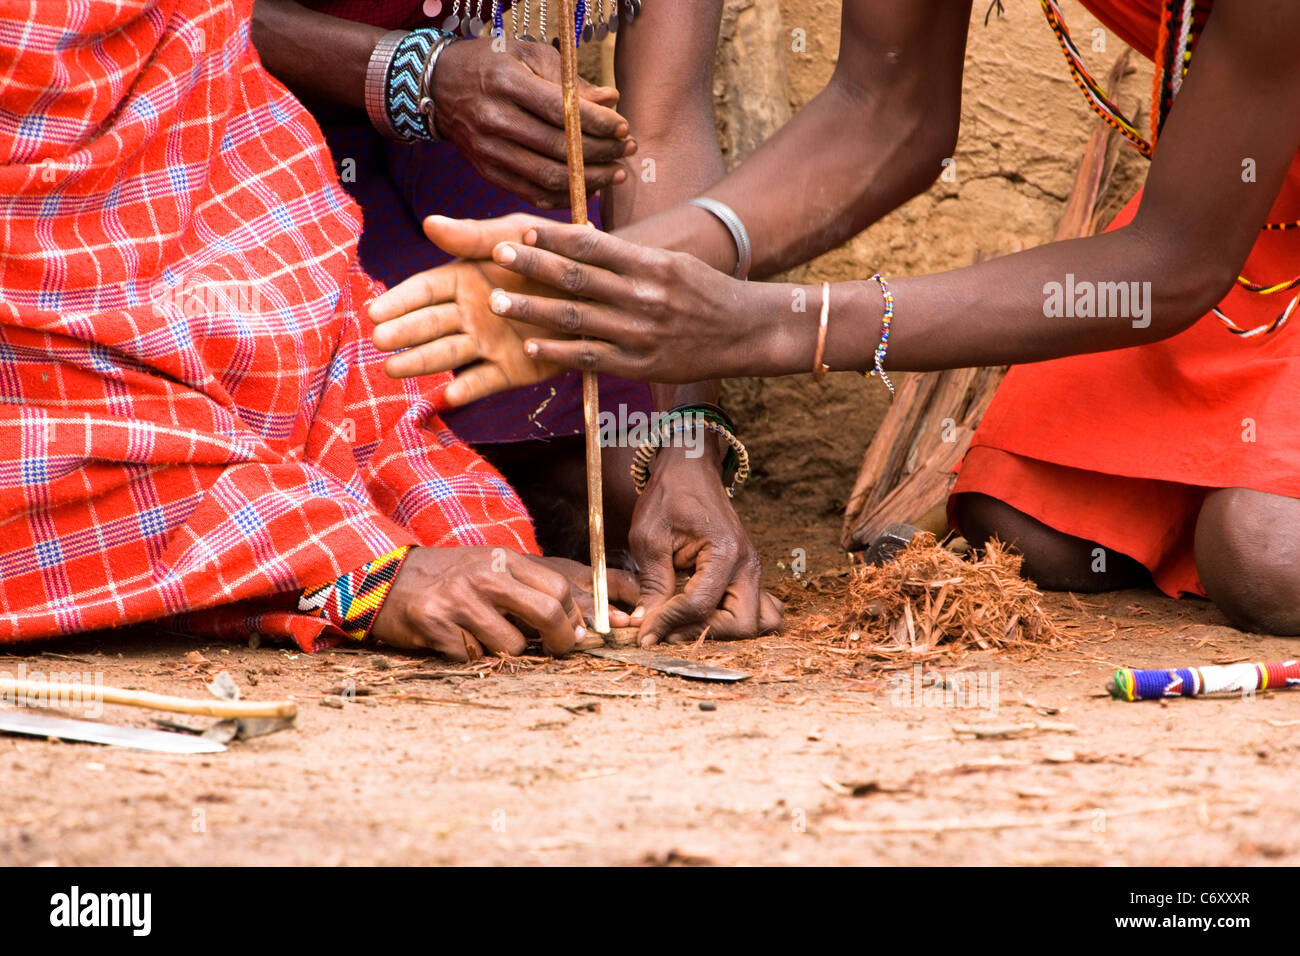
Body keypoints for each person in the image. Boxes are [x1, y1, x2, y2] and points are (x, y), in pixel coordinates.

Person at [370, 0, 1300, 636]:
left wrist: (769, 327)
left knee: (1261, 552)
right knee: (1030, 531)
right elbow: (883, 112)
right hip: (1252, 202)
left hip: (1205, 233)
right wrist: (602, 281)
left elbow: (1172, 263)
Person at [0, 0, 642, 660]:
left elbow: (342, 376)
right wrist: (359, 577)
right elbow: (46, 469)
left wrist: (481, 546)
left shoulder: (194, 39)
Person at [251, 0, 782, 647]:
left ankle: (517, 484)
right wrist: (415, 76)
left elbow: (661, 131)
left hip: (462, 138)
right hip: (213, 125)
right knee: (303, 411)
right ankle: (401, 549)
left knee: (638, 477)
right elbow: (161, 21)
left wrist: (684, 443)